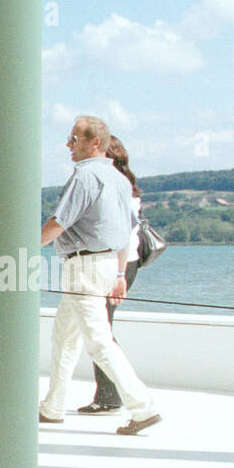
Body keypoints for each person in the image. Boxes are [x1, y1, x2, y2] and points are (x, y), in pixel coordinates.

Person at [38, 117, 160, 436]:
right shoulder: (119, 179)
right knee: (64, 336)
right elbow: (124, 233)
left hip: (85, 268)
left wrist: (20, 244)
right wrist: (120, 273)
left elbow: (59, 222)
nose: (69, 144)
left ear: (95, 143)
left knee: (98, 342)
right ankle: (52, 407)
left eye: (74, 139)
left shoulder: (86, 176)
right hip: (106, 266)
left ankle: (143, 407)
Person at [78, 135, 141, 415]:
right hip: (123, 264)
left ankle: (111, 396)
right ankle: (109, 394)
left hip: (116, 265)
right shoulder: (127, 188)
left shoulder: (114, 189)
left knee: (101, 330)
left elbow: (121, 235)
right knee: (99, 328)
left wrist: (118, 274)